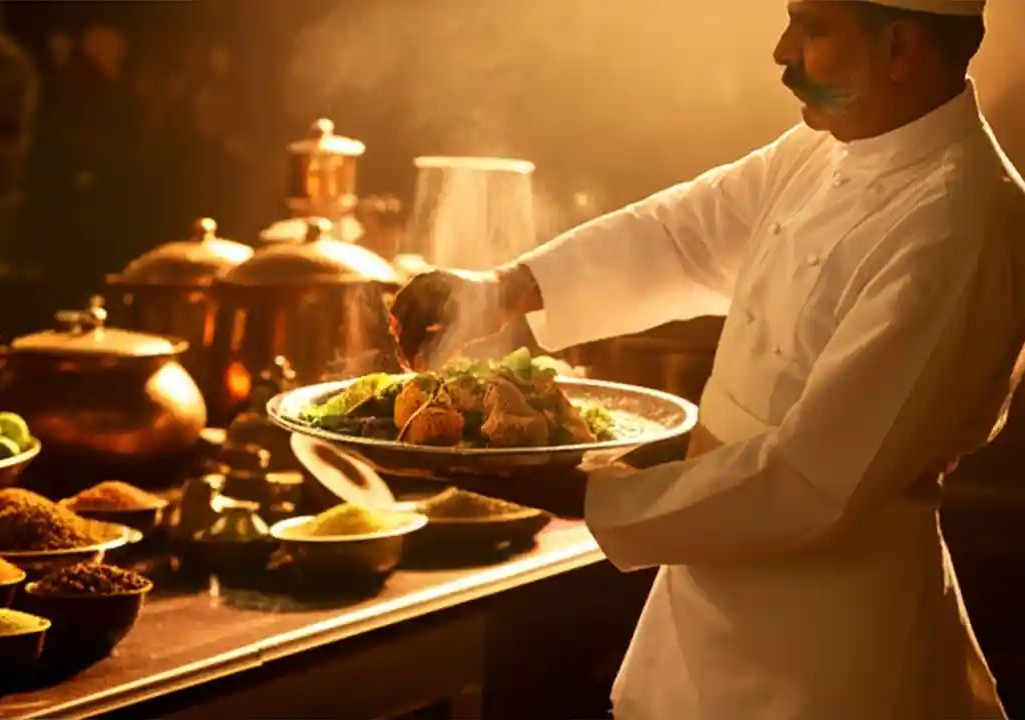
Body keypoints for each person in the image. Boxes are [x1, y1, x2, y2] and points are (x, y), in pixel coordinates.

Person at [389, 1, 1025, 717]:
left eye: (811, 28)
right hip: (707, 598)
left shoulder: (962, 221)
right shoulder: (833, 144)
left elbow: (810, 484)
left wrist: (565, 486)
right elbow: (684, 233)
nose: (782, 49)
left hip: (832, 649)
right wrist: (503, 287)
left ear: (901, 50)